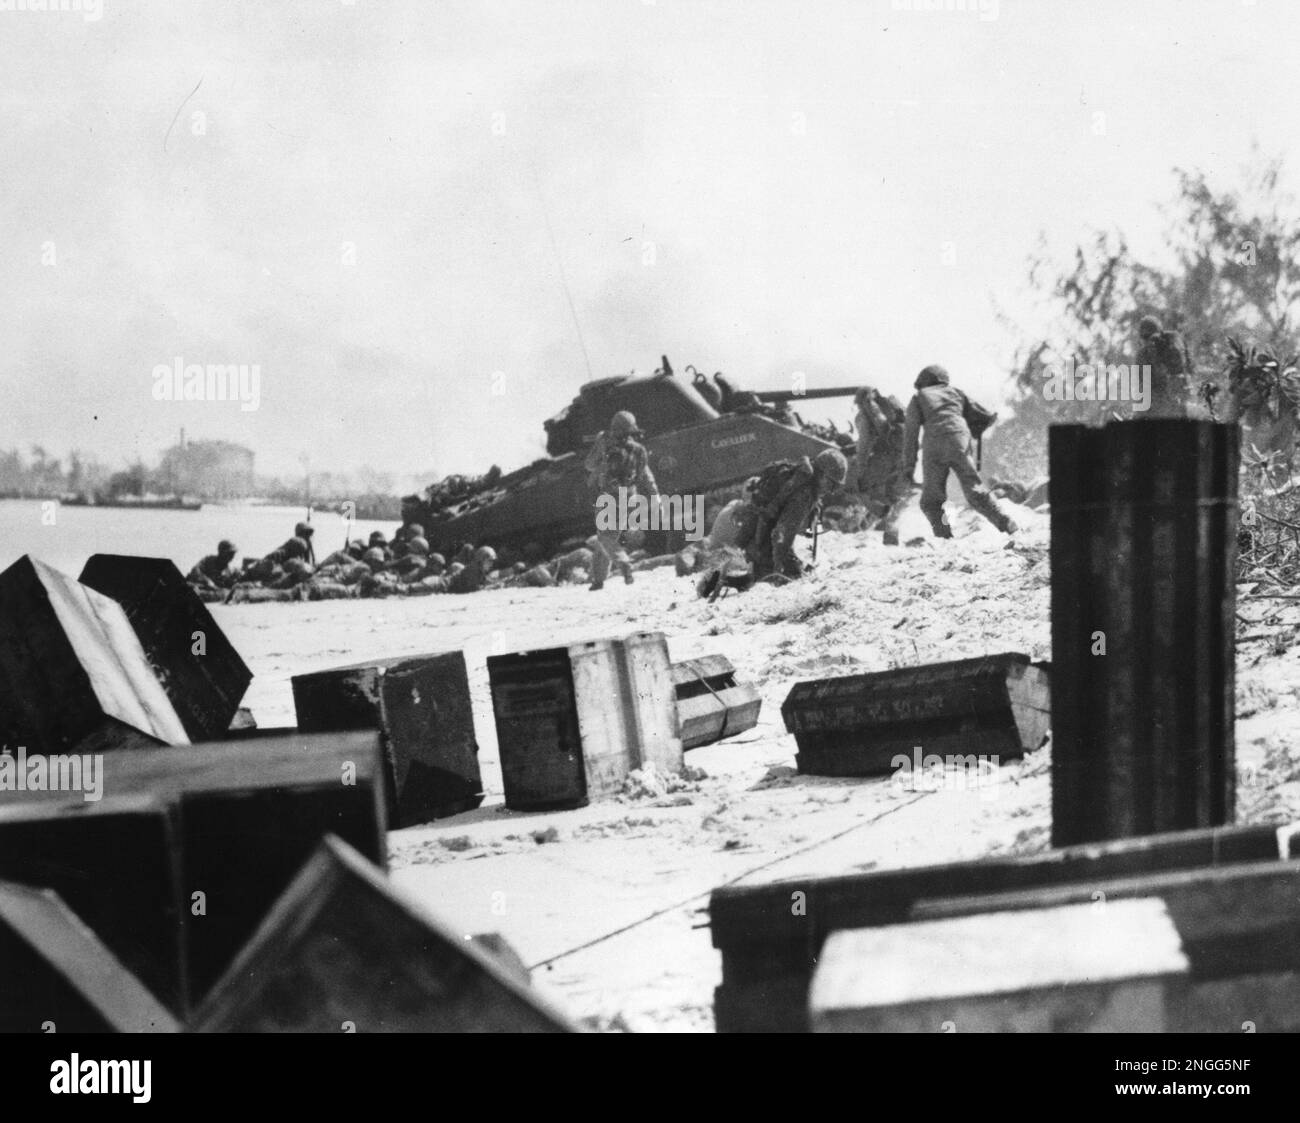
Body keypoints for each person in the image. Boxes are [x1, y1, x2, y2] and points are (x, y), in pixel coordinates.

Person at [901, 365, 1017, 539]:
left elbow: (910, 435)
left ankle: (944, 535)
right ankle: (1005, 522)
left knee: (931, 501)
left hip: (934, 444)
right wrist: (975, 429)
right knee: (975, 491)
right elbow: (985, 417)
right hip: (960, 440)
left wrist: (908, 468)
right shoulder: (956, 392)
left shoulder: (919, 398)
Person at [744, 448, 848, 580]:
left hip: (762, 546)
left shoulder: (805, 488)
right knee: (796, 576)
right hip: (765, 553)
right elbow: (780, 534)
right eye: (831, 484)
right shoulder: (803, 496)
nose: (831, 491)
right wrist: (781, 568)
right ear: (820, 474)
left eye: (835, 487)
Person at [584, 410, 658, 591]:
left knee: (605, 537)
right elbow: (645, 474)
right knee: (609, 536)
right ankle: (598, 579)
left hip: (609, 497)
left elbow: (589, 464)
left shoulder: (604, 443)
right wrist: (655, 494)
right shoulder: (638, 449)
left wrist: (600, 447)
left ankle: (623, 562)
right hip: (630, 498)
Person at [854, 385, 911, 544]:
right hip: (904, 458)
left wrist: (861, 466)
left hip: (886, 457)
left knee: (861, 487)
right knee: (894, 496)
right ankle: (890, 536)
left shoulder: (867, 412)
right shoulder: (888, 407)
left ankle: (881, 514)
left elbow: (865, 442)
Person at [1137, 314, 1192, 418]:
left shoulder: (1144, 352)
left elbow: (1143, 388)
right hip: (1178, 398)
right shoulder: (1175, 342)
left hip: (1160, 405)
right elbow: (1189, 367)